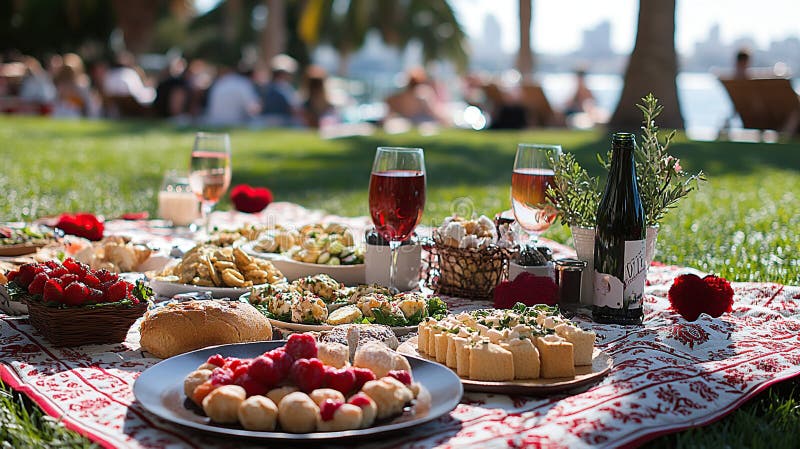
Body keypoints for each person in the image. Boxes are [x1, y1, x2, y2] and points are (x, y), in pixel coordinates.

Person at [204, 54, 261, 127]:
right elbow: (253, 109)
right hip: (235, 124)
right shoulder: (243, 84)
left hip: (214, 123)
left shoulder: (219, 82)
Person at [260, 54, 301, 126]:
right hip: (283, 121)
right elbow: (294, 109)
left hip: (264, 121)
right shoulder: (285, 88)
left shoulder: (266, 87)